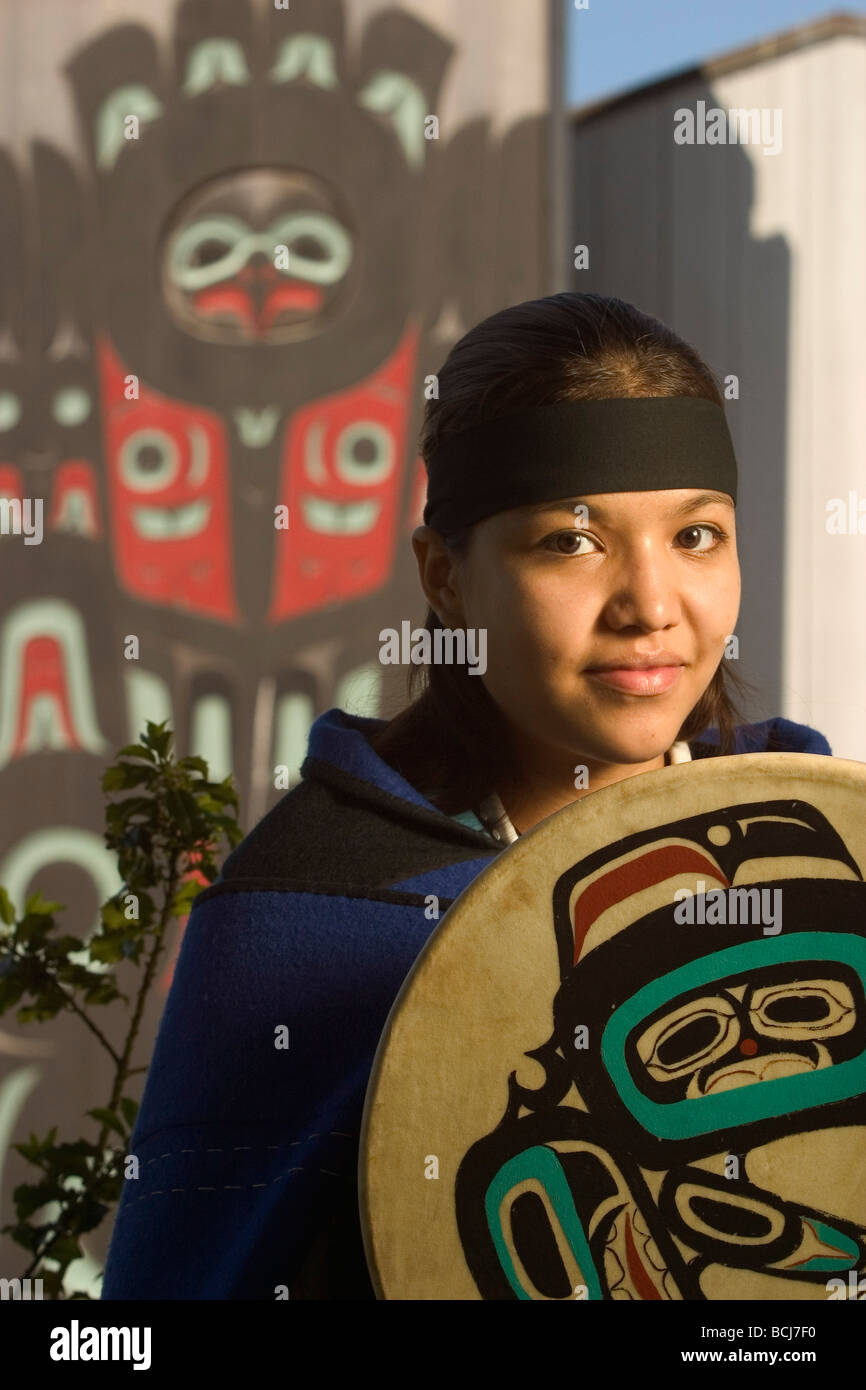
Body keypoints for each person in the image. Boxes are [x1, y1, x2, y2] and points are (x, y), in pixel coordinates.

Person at [100, 292, 832, 1300]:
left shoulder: (823, 859)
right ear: (444, 577)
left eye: (696, 537)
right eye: (570, 542)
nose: (651, 606)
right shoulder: (308, 913)